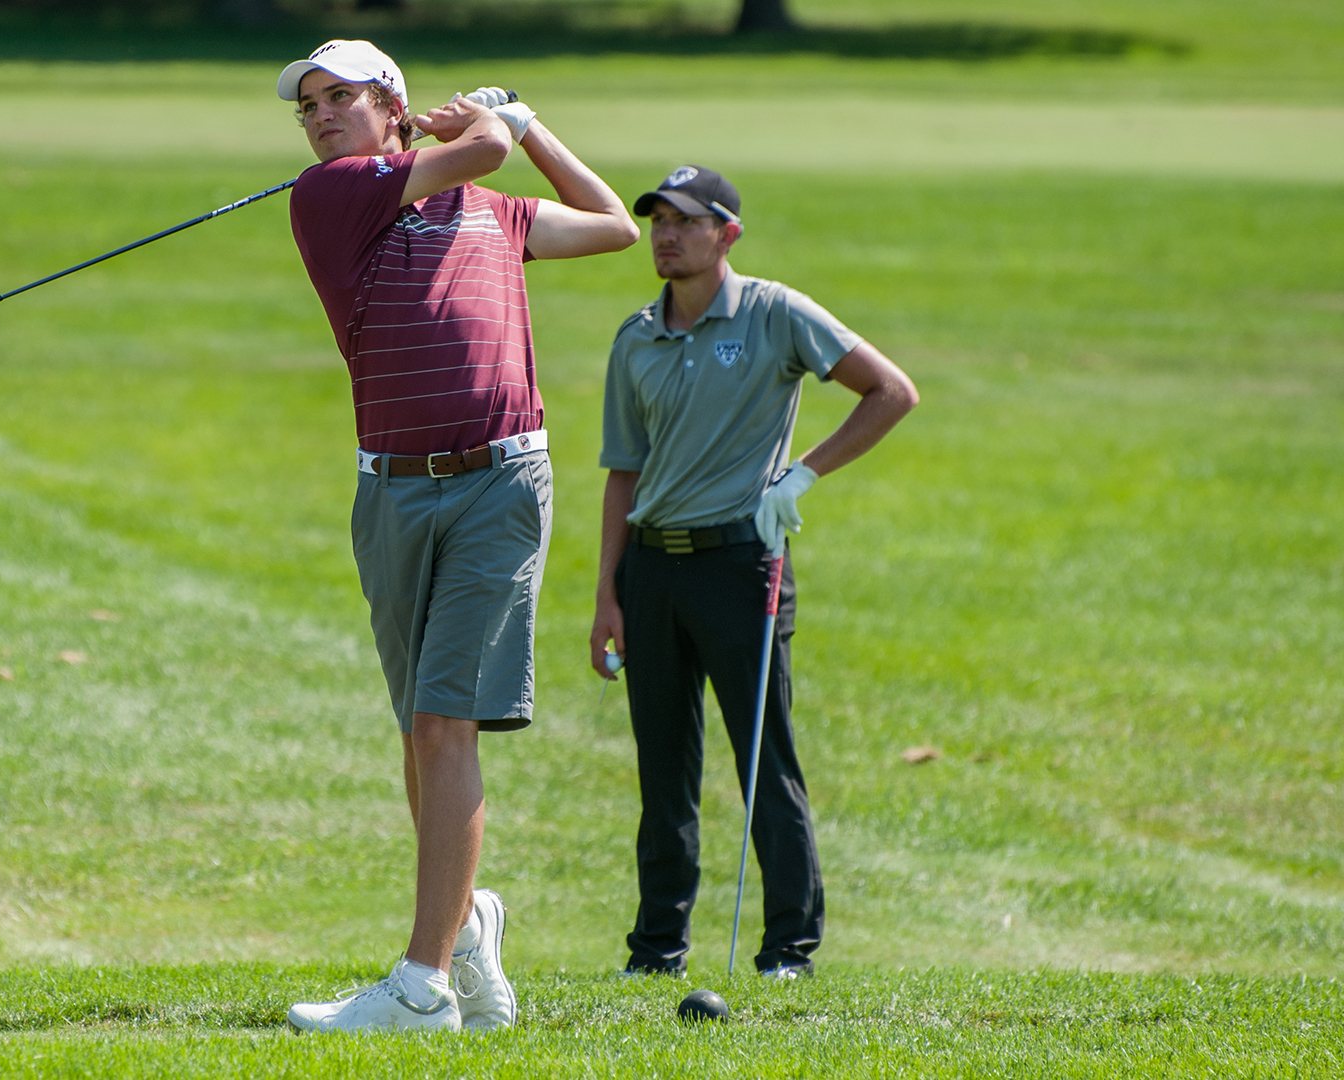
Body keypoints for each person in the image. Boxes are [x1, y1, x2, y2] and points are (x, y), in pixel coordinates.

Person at [277, 40, 638, 1031]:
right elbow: (478, 152)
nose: (317, 116)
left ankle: (423, 986)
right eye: (306, 105)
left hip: (499, 482)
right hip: (392, 491)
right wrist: (492, 125)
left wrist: (530, 127)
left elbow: (614, 228)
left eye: (339, 97)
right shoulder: (334, 196)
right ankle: (467, 925)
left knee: (444, 726)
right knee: (419, 732)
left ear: (392, 105)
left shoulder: (498, 215)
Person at [590, 165, 918, 978]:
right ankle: (657, 949)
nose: (666, 234)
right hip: (654, 573)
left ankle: (788, 949)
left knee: (764, 761)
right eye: (657, 220)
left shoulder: (774, 313)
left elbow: (890, 391)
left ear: (727, 233)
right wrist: (608, 593)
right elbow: (623, 472)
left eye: (686, 221)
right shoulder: (636, 336)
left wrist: (802, 473)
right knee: (663, 770)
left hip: (744, 564)